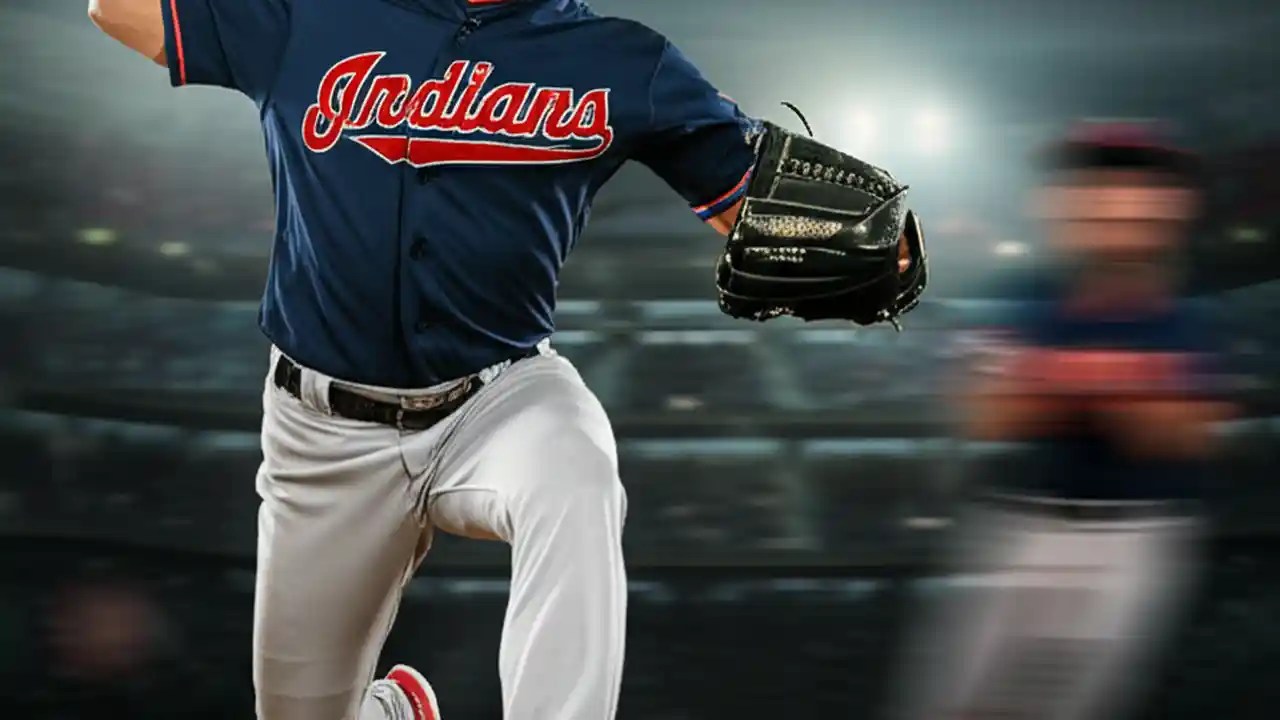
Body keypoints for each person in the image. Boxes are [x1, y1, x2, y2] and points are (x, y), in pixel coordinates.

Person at [87, 1, 921, 718]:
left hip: (498, 401)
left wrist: (865, 246)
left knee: (578, 471)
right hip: (322, 435)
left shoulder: (620, 61)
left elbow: (753, 206)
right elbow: (114, 9)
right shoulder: (313, 13)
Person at [894, 122, 1232, 720]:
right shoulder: (1019, 296)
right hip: (1016, 526)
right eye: (1092, 191)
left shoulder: (1189, 315)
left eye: (1131, 194)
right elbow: (987, 414)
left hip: (1138, 536)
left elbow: (1183, 434)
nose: (1109, 206)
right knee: (951, 704)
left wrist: (1052, 375)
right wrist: (1133, 381)